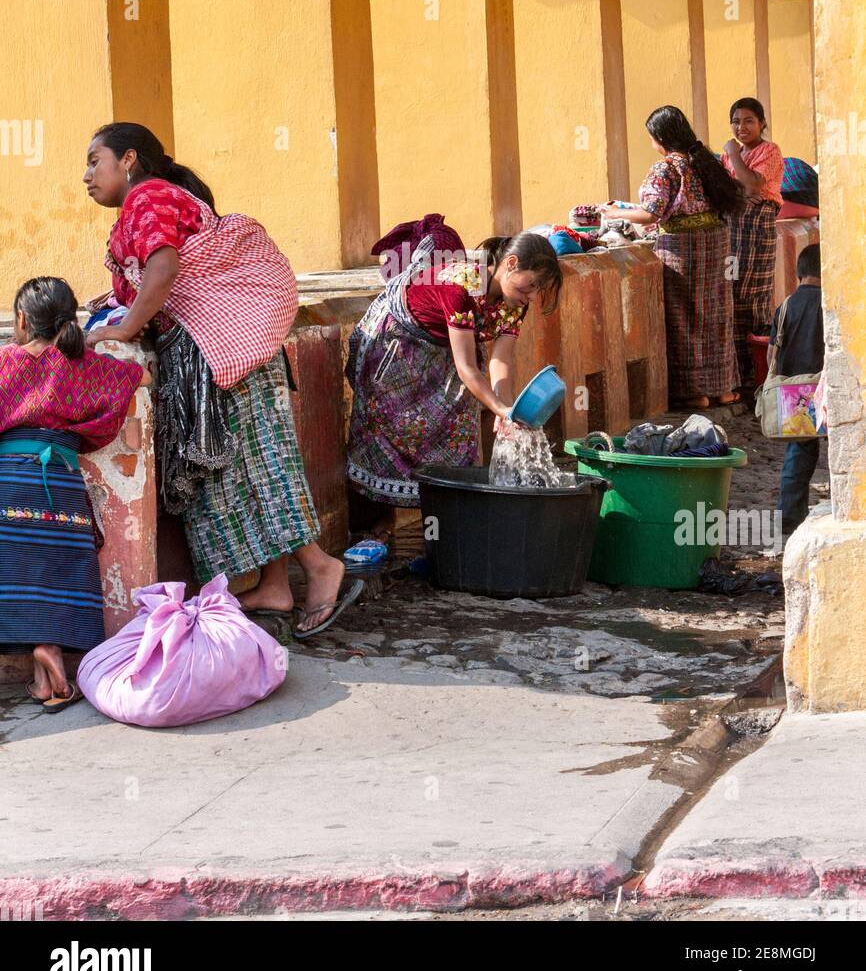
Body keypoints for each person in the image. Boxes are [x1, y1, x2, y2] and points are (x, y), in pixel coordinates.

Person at [82, 123, 362, 640]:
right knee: (238, 470)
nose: (86, 176)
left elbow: (162, 267)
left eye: (94, 161)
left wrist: (125, 328)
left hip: (219, 352)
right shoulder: (150, 204)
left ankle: (322, 567)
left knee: (259, 468)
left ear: (128, 160)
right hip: (221, 355)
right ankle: (276, 587)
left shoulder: (148, 197)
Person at [345, 225, 562, 533]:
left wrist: (507, 409)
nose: (532, 296)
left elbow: (501, 360)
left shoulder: (514, 303)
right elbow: (467, 369)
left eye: (538, 291)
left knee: (460, 430)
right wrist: (501, 410)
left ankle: (447, 526)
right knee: (386, 428)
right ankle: (370, 526)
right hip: (397, 347)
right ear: (511, 264)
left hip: (442, 352)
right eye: (531, 285)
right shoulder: (462, 285)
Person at [0, 277, 148, 710]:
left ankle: (42, 662)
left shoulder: (6, 362)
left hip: (9, 482)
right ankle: (50, 674)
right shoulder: (89, 366)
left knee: (17, 577)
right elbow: (141, 376)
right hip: (62, 482)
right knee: (61, 573)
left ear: (23, 320)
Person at [597, 105, 742, 409]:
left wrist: (615, 212)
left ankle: (694, 392)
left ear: (660, 137)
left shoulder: (666, 168)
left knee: (684, 315)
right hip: (715, 245)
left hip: (682, 249)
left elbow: (652, 211)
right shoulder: (705, 162)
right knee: (715, 312)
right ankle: (723, 389)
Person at [719, 97, 784, 390]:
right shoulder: (729, 156)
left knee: (753, 296)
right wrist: (740, 192)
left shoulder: (768, 151)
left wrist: (733, 152)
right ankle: (739, 376)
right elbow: (728, 190)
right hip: (733, 229)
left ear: (761, 123)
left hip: (757, 230)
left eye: (748, 121)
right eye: (735, 121)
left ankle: (758, 379)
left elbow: (753, 184)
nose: (740, 127)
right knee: (732, 293)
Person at [769, 242, 824, 536]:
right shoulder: (831, 303)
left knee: (800, 451)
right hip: (828, 386)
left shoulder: (786, 305)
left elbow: (771, 356)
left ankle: (789, 517)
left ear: (799, 272)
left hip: (796, 393)